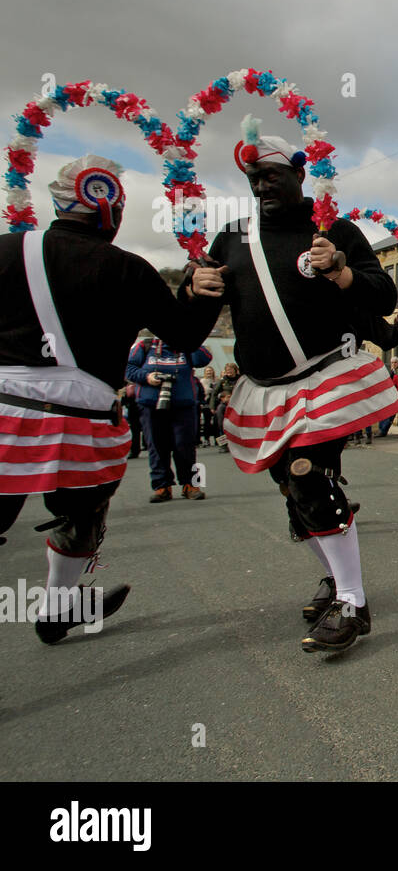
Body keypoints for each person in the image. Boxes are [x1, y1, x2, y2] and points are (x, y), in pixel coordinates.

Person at [178, 119, 398, 653]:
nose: (261, 187)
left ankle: (353, 601)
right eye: (253, 179)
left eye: (271, 177)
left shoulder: (334, 231)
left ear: (301, 174)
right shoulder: (230, 240)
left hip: (327, 377)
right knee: (292, 494)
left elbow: (384, 296)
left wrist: (342, 272)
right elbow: (189, 330)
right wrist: (193, 289)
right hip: (265, 389)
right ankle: (335, 578)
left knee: (307, 477)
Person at [0, 154, 221, 643]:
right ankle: (59, 603)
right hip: (79, 417)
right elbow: (184, 336)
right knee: (82, 511)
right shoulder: (126, 268)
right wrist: (201, 292)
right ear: (112, 214)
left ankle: (60, 607)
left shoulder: (4, 250)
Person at [126, 338, 212, 501]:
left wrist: (187, 339)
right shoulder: (145, 346)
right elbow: (128, 368)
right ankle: (162, 486)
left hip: (183, 404)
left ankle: (191, 484)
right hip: (150, 404)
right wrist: (147, 376)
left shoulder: (186, 345)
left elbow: (203, 359)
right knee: (156, 445)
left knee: (185, 445)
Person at [209, 362, 238, 452]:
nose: (228, 371)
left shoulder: (241, 379)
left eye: (230, 369)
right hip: (226, 405)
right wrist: (212, 407)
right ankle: (223, 445)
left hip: (239, 404)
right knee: (220, 423)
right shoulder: (222, 381)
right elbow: (214, 394)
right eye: (227, 370)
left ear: (235, 370)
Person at [377, 356, 398, 437]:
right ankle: (382, 430)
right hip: (390, 394)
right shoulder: (391, 371)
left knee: (391, 413)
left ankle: (383, 430)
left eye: (395, 362)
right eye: (392, 363)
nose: (393, 364)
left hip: (397, 394)